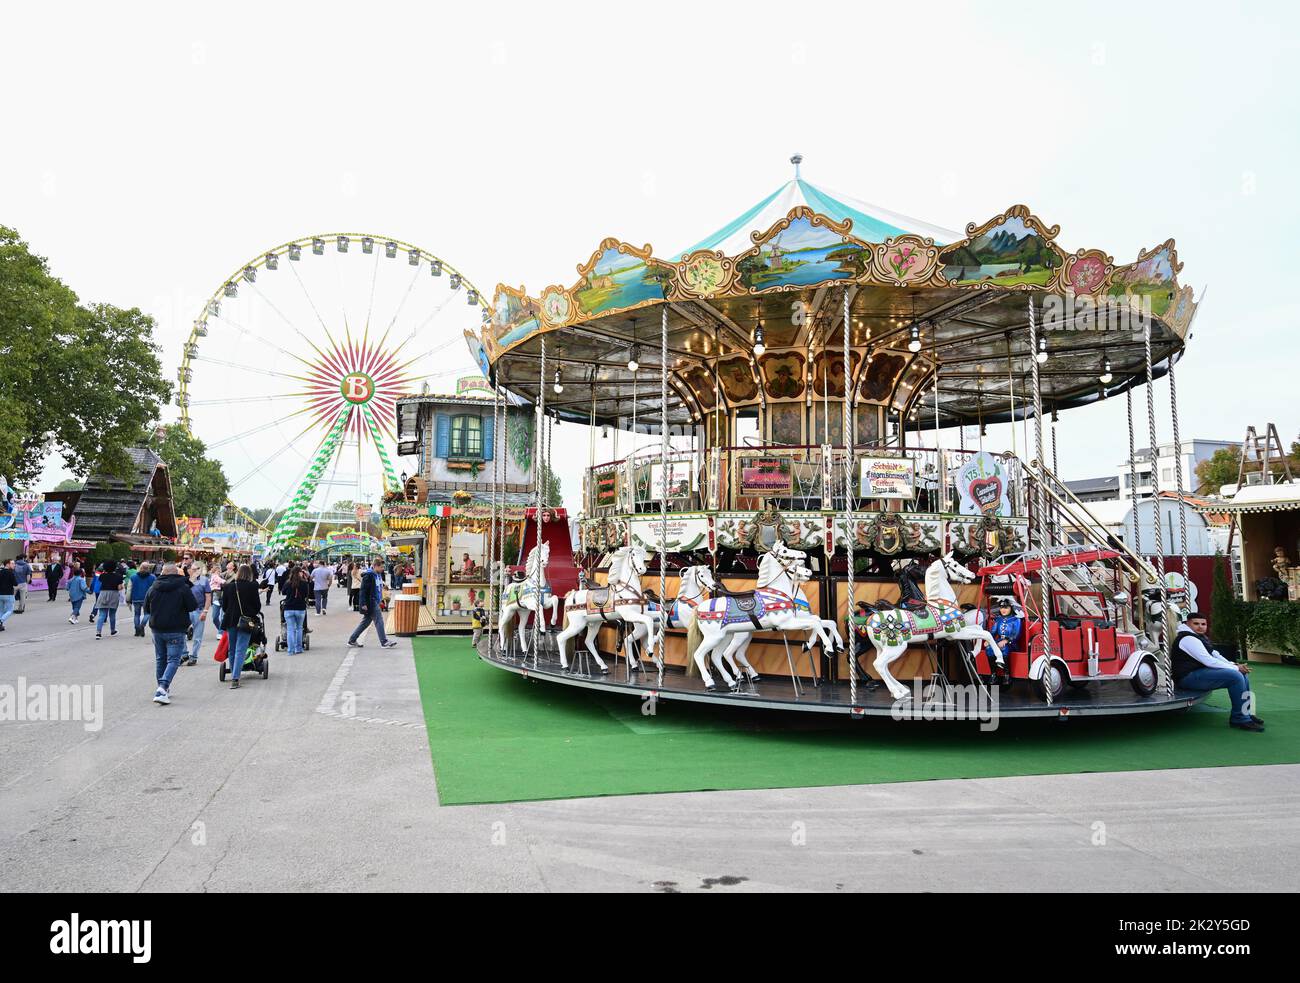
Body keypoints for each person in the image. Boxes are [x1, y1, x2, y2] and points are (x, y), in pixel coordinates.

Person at [1174, 612, 1265, 732]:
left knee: (1241, 675)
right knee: (1235, 676)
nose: (1200, 626)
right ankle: (1240, 719)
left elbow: (1215, 655)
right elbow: (1209, 661)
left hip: (1198, 673)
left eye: (1203, 624)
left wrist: (1234, 665)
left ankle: (1245, 713)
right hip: (1187, 678)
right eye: (1196, 624)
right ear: (1187, 624)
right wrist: (1236, 669)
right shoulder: (1188, 638)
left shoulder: (1199, 637)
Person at [144, 562, 198, 705]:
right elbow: (193, 606)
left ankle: (162, 688)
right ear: (175, 573)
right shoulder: (183, 588)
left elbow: (146, 608)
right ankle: (162, 687)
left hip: (157, 628)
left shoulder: (153, 587)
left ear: (162, 572)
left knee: (160, 659)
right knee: (173, 660)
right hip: (176, 628)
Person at [221, 564, 262, 689]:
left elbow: (224, 606)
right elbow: (257, 606)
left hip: (231, 620)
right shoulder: (253, 586)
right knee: (241, 649)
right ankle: (235, 677)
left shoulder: (229, 587)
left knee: (232, 649)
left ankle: (234, 673)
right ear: (249, 574)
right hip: (246, 621)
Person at [348, 557, 398, 649]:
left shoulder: (376, 575)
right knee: (379, 620)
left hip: (374, 601)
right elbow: (363, 591)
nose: (383, 569)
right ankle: (384, 642)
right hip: (371, 602)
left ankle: (352, 640)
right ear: (375, 566)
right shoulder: (369, 575)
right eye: (381, 567)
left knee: (365, 622)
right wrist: (363, 604)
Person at [186, 561, 211, 666]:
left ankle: (194, 656)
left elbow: (208, 596)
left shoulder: (204, 580)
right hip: (186, 611)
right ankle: (184, 654)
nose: (195, 571)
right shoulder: (185, 581)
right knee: (181, 634)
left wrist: (205, 611)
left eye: (196, 569)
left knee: (197, 637)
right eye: (193, 569)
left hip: (199, 610)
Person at [283, 566, 312, 654]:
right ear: (300, 573)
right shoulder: (304, 583)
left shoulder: (288, 582)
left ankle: (290, 650)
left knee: (290, 629)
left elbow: (283, 592)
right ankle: (298, 648)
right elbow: (307, 594)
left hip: (288, 608)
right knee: (299, 628)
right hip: (300, 608)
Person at [988, 598, 1021, 672]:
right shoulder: (998, 619)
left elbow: (1016, 634)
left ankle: (1007, 674)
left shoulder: (1016, 619)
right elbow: (993, 631)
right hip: (999, 641)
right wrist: (988, 639)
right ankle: (993, 673)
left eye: (1006, 607)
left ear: (1011, 608)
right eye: (1001, 607)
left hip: (1012, 643)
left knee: (1004, 648)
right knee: (989, 648)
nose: (1003, 610)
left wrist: (1006, 640)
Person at [95, 561, 124, 638]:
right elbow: (119, 587)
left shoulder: (102, 576)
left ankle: (98, 632)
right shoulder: (118, 576)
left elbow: (100, 582)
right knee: (112, 614)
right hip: (114, 594)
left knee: (102, 614)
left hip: (103, 593)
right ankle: (112, 630)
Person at [129, 562, 156, 636]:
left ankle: (137, 629)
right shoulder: (152, 577)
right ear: (148, 568)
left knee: (136, 614)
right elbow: (155, 588)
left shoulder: (133, 577)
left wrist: (128, 599)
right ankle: (142, 625)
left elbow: (129, 589)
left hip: (136, 598)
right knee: (148, 613)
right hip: (148, 598)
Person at [0, 559, 16, 631]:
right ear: (7, 564)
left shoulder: (0, 572)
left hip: (0, 594)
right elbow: (15, 583)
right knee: (10, 610)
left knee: (1, 610)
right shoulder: (10, 573)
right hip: (8, 594)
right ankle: (1, 620)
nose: (14, 565)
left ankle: (0, 626)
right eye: (12, 563)